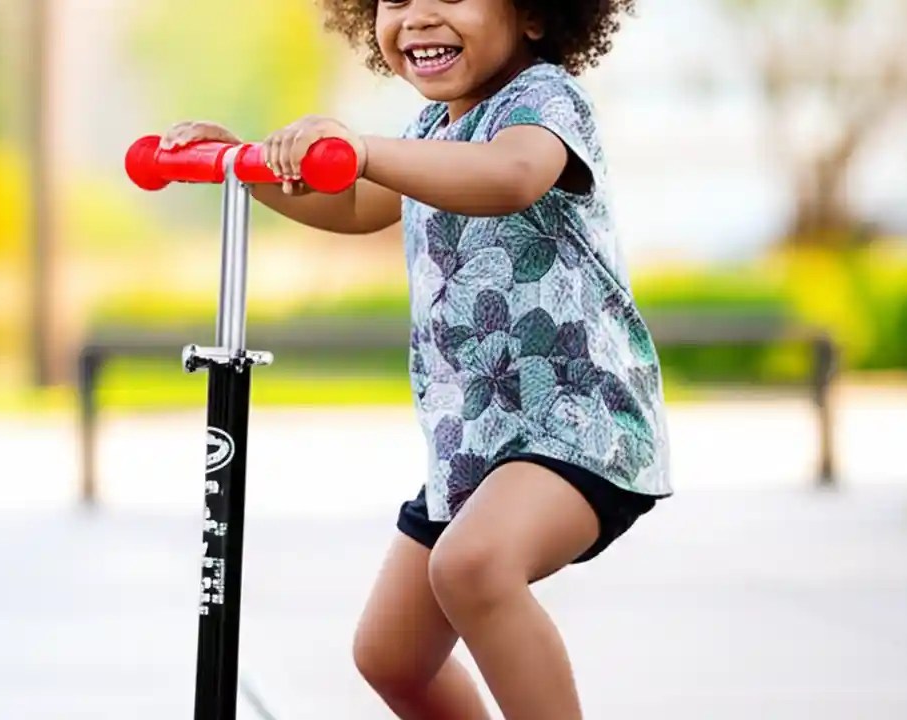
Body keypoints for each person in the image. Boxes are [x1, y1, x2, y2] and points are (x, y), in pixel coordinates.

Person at [160, 0, 671, 716]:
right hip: (474, 447)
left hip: (578, 424)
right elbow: (352, 206)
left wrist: (363, 149)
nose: (419, 16)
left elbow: (511, 175)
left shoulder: (544, 103)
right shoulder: (431, 130)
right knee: (392, 656)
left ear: (532, 13)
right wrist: (244, 164)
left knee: (472, 566)